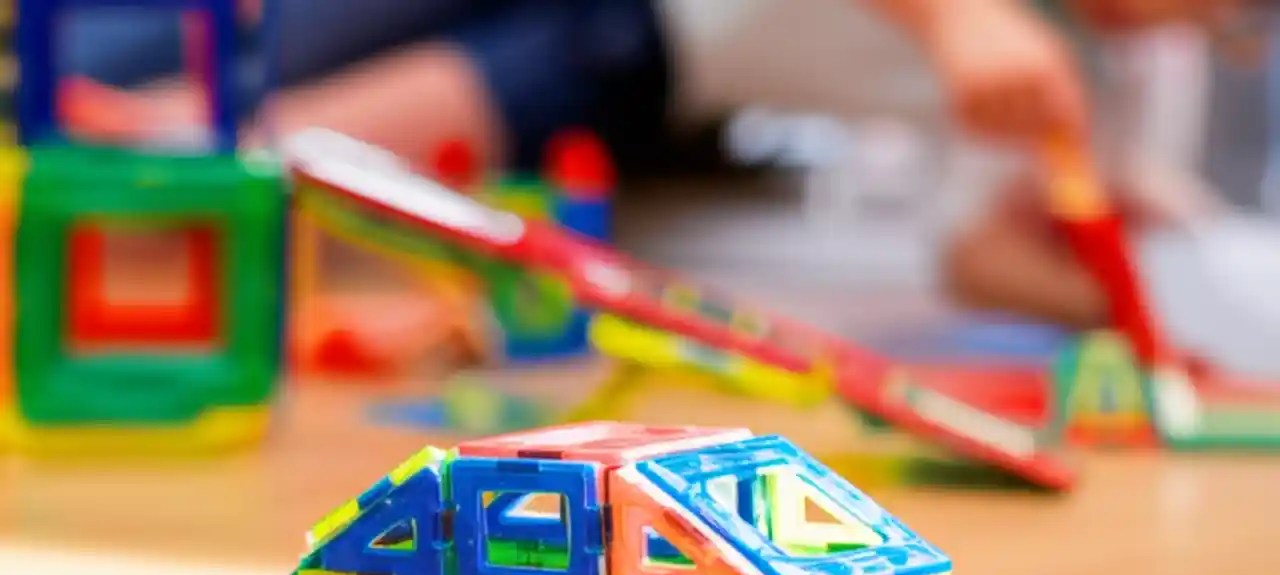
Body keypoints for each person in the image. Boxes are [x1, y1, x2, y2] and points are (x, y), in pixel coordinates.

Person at [64, 0, 1246, 324]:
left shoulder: (1116, 85)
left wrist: (1114, 283)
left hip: (638, 56)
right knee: (143, 43)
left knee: (223, 145)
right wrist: (954, 20)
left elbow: (971, 256)